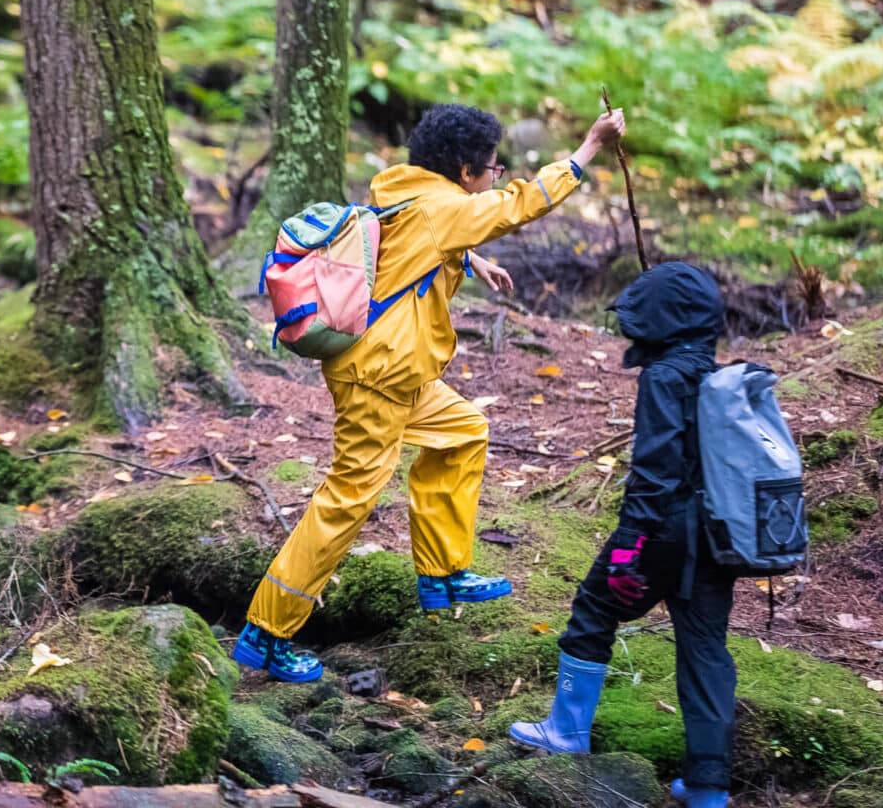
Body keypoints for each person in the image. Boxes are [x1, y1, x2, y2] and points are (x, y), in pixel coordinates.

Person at [233, 102, 628, 682]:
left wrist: (470, 260)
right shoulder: (443, 207)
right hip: (377, 377)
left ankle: (443, 574)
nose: (495, 177)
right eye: (492, 169)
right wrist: (588, 148)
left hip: (399, 373)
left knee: (465, 431)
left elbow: (412, 242)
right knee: (348, 500)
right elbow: (519, 204)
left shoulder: (404, 189)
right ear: (465, 171)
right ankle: (266, 632)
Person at [510, 263, 734, 808]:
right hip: (717, 535)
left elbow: (655, 470)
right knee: (705, 650)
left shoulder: (665, 377)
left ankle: (565, 730)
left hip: (663, 529)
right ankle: (708, 787)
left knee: (593, 607)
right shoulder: (714, 375)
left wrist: (629, 547)